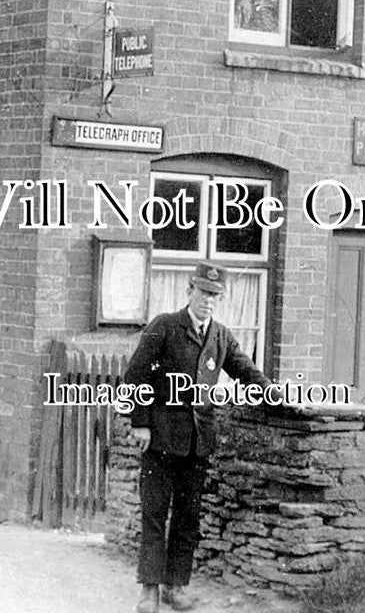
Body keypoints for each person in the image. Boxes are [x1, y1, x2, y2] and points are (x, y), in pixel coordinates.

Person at [123, 261, 278, 613]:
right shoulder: (164, 327)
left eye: (215, 296)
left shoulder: (220, 335)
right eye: (203, 292)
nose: (208, 301)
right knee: (154, 514)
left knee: (188, 518)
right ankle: (149, 591)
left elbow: (244, 369)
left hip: (197, 443)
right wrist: (140, 423)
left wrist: (274, 394)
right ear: (189, 291)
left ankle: (176, 588)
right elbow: (134, 377)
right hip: (160, 440)